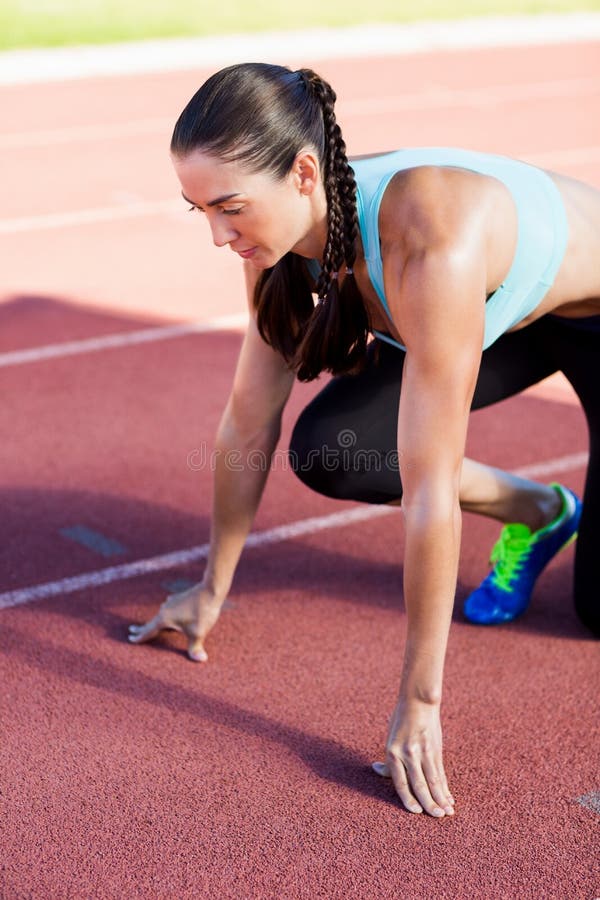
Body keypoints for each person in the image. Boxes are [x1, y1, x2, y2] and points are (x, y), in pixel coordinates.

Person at [128, 63, 600, 818]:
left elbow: (430, 488)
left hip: (583, 310)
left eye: (229, 208)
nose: (219, 235)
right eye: (198, 211)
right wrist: (210, 585)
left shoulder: (425, 242)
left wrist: (420, 701)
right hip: (504, 306)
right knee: (336, 450)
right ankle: (541, 512)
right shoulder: (279, 243)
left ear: (304, 172)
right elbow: (248, 421)